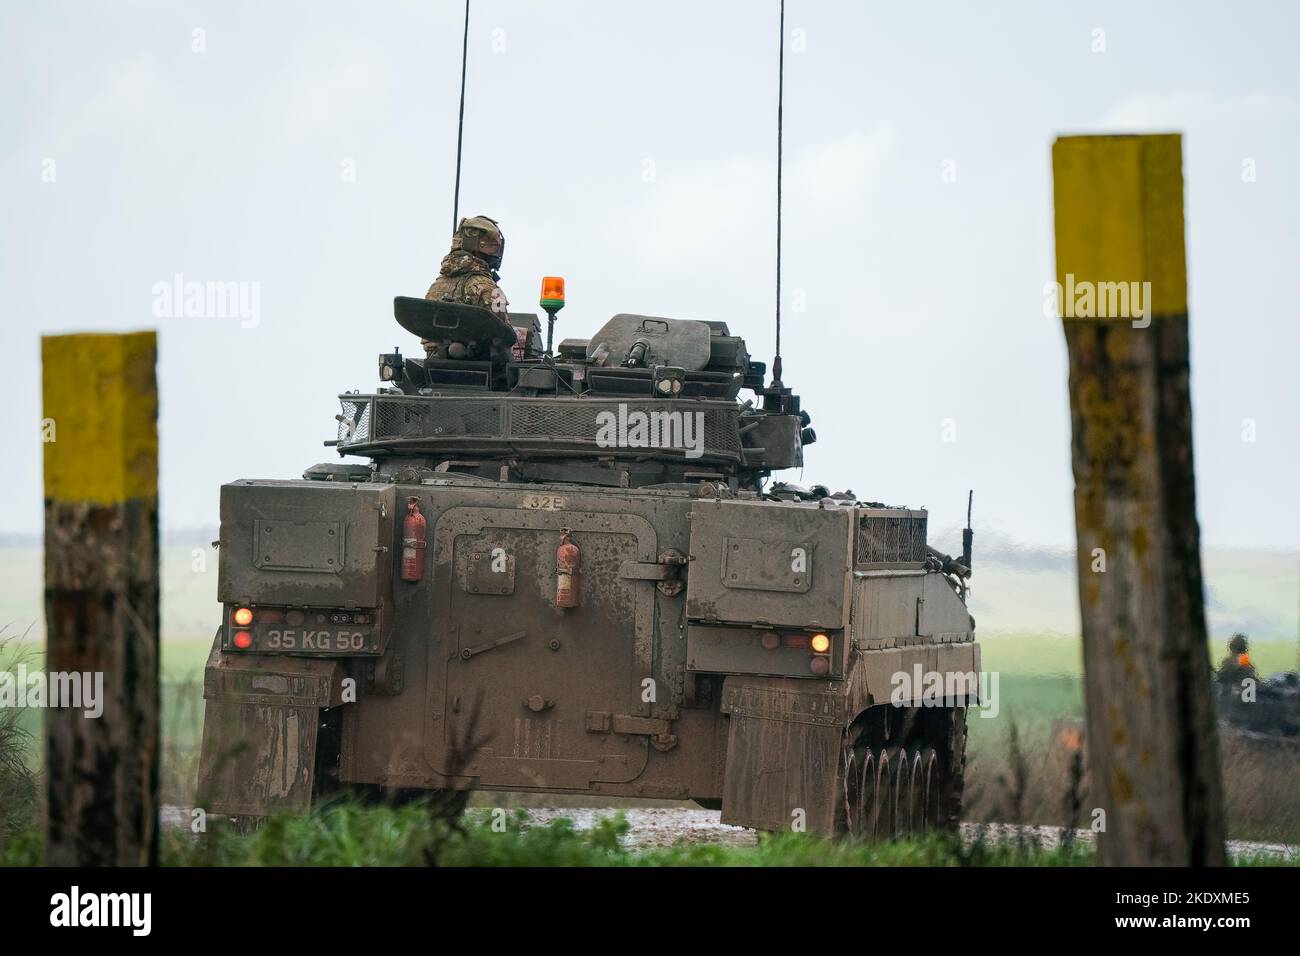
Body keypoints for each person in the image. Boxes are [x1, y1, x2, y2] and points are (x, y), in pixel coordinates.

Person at [423, 215, 512, 358]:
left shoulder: (437, 284)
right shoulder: (487, 287)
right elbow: (504, 337)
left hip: (435, 366)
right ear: (482, 246)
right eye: (494, 245)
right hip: (479, 370)